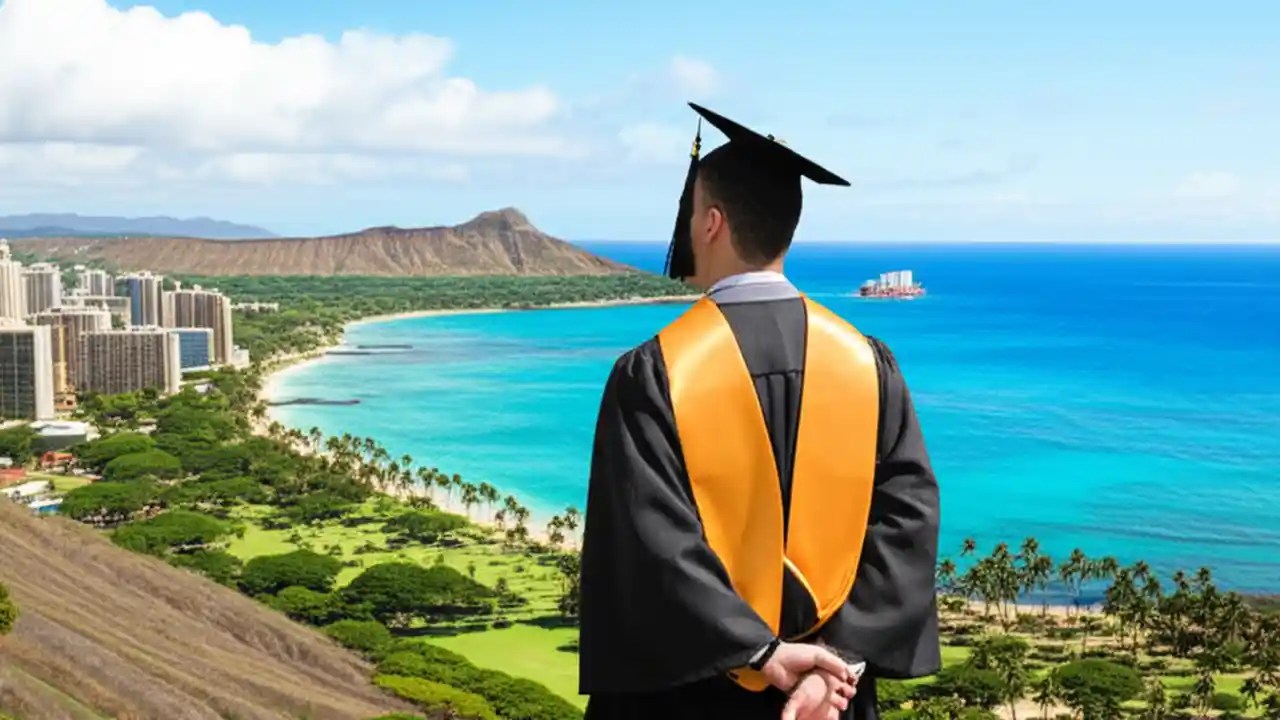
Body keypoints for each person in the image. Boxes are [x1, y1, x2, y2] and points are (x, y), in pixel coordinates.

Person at [578, 102, 942, 720]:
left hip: (687, 696)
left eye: (693, 215)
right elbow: (907, 517)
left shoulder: (657, 371)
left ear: (712, 224)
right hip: (828, 700)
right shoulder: (864, 362)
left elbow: (652, 543)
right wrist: (837, 660)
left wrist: (762, 653)